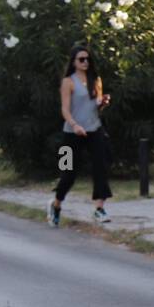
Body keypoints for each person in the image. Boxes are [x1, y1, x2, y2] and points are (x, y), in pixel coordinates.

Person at [46, 43, 112, 227]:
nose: (85, 62)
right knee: (68, 172)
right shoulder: (68, 82)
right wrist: (74, 125)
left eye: (87, 59)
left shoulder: (95, 79)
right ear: (74, 62)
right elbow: (65, 110)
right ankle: (56, 204)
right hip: (71, 132)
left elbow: (95, 107)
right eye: (81, 59)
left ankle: (99, 208)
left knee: (101, 166)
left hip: (94, 129)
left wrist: (103, 102)